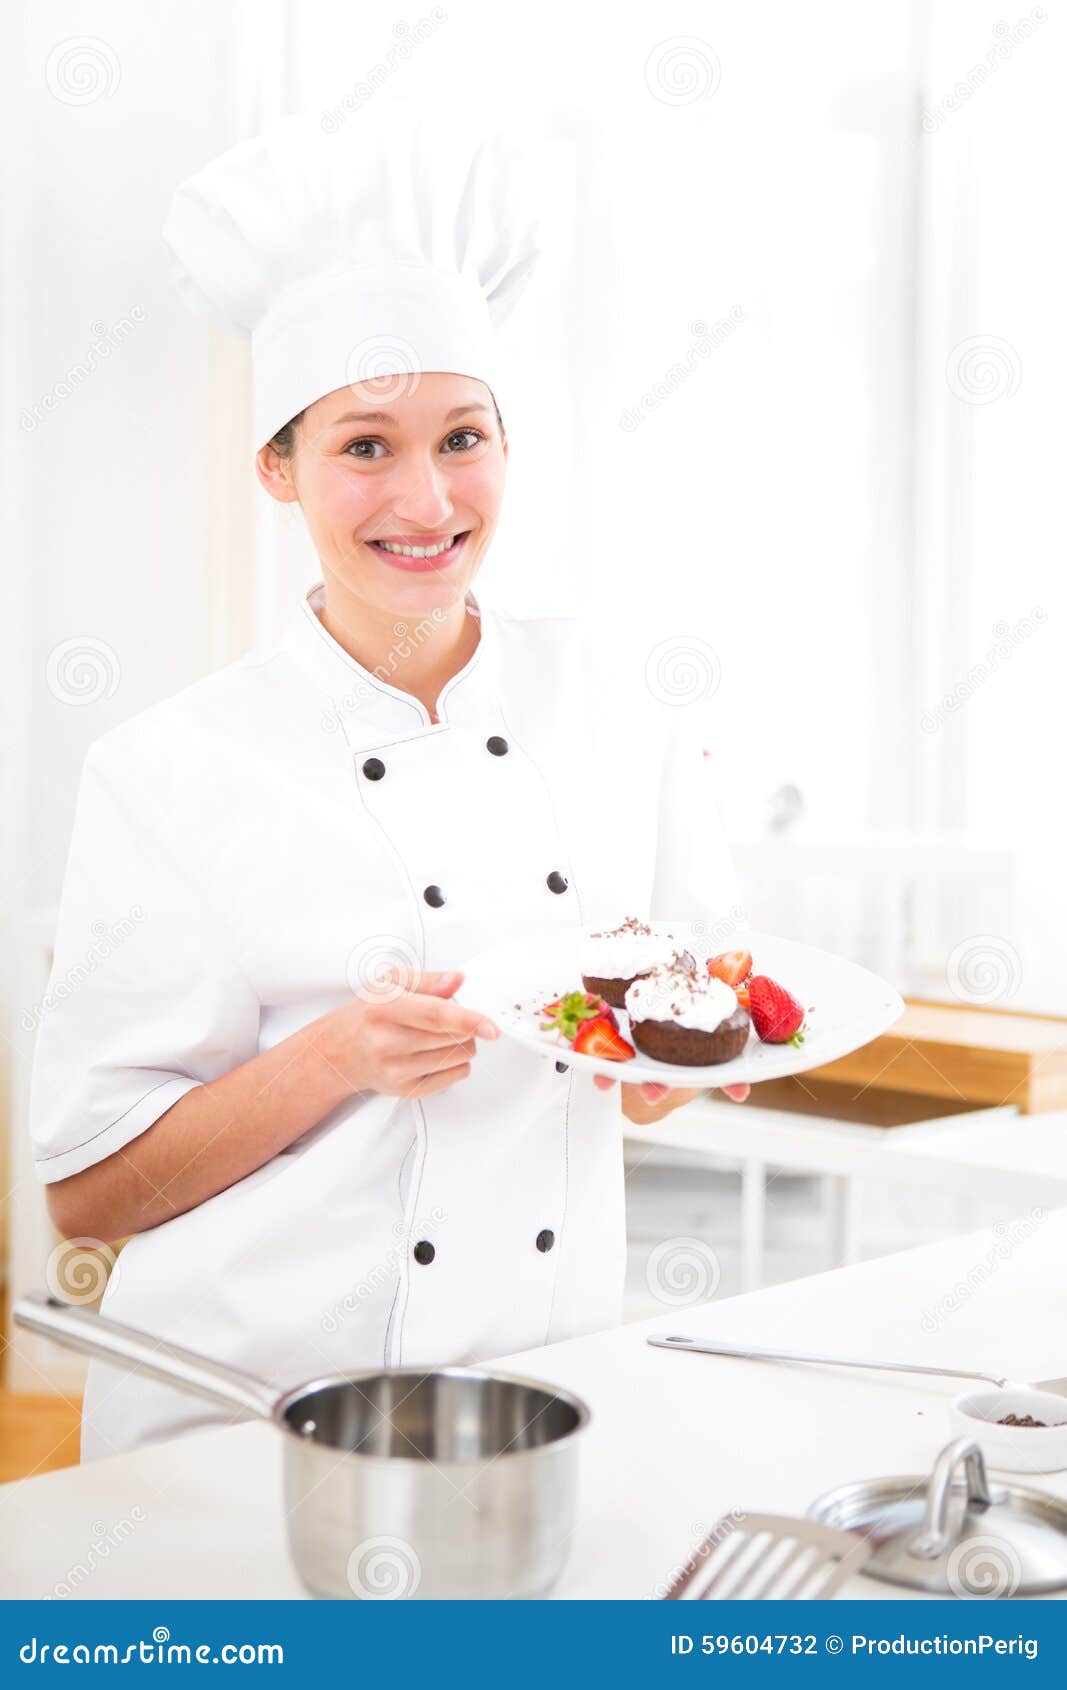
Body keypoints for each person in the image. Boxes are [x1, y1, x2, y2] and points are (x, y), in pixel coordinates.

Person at [28, 106, 748, 1461]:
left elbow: (678, 1032)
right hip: (241, 1432)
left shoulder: (616, 710)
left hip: (537, 1412)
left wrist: (679, 1072)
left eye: (463, 436)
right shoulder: (170, 772)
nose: (426, 500)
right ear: (278, 470)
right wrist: (336, 1056)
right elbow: (89, 1199)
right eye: (365, 445)